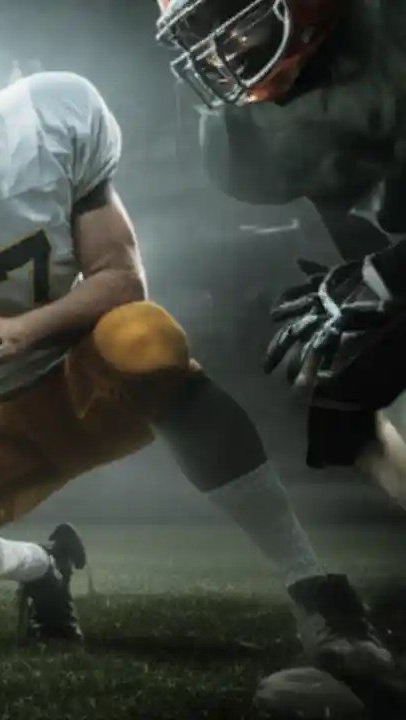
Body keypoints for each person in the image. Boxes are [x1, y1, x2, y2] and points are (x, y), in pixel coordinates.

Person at [0, 17, 394, 687]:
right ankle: (44, 567)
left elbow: (122, 278)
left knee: (146, 338)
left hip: (94, 371)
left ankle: (317, 589)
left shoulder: (48, 120)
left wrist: (22, 330)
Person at [155, 0, 406, 507]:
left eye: (229, 15)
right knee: (336, 406)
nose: (223, 45)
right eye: (202, 26)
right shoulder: (246, 136)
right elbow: (346, 211)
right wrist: (362, 288)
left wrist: (387, 278)